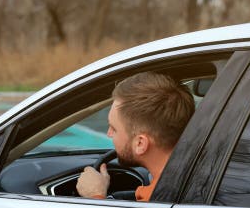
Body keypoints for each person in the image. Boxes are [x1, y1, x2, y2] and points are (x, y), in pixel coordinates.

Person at [76, 71, 195, 201]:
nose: (108, 134)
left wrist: (95, 195)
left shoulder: (160, 204)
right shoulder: (197, 176)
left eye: (114, 129)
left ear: (140, 143)